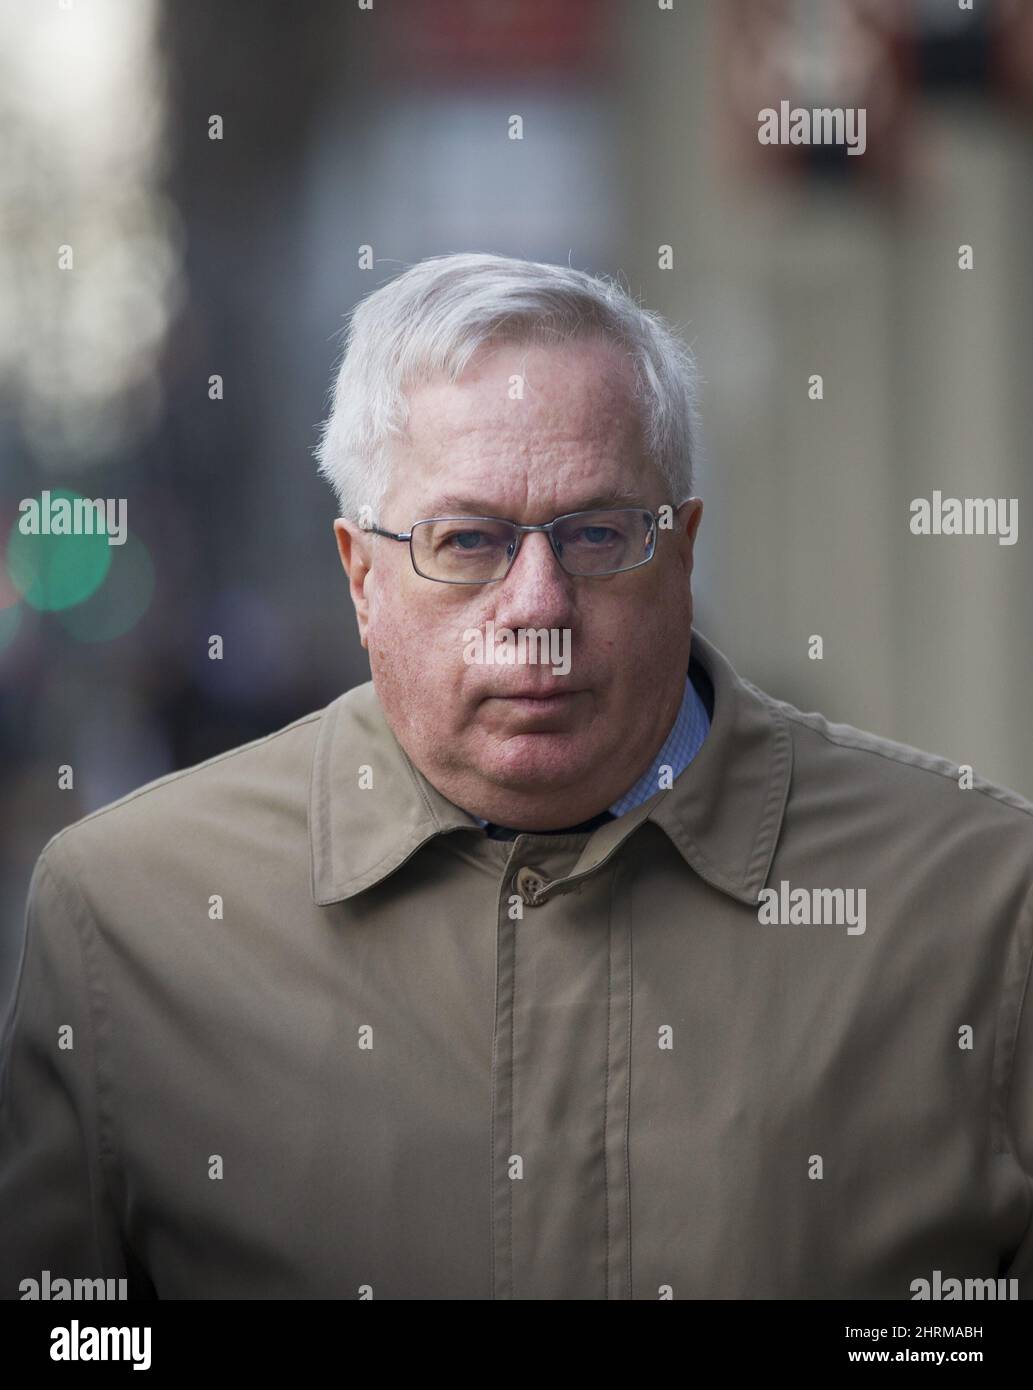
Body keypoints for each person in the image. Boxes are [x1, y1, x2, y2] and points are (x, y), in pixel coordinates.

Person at [2, 253, 1031, 1300]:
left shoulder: (983, 904)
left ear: (679, 555)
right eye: (468, 540)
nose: (536, 606)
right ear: (362, 576)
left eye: (593, 533)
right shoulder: (128, 919)